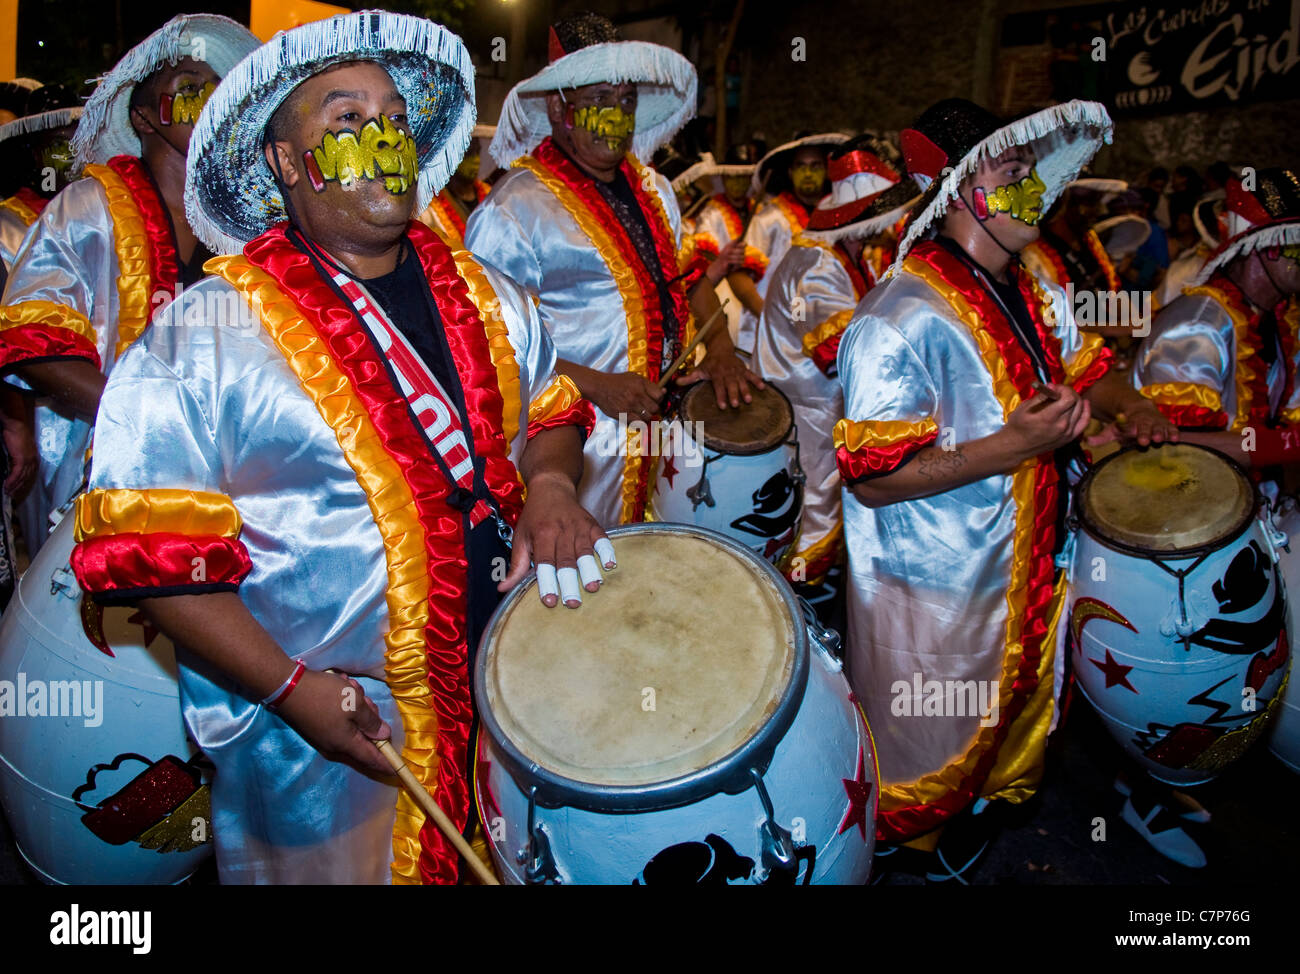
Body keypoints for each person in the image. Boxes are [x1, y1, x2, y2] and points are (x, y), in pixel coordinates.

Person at [71, 10, 610, 885]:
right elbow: (153, 561)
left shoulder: (489, 294)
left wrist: (550, 487)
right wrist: (292, 692)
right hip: (322, 746)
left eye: (393, 120)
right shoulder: (202, 340)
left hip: (513, 698)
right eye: (346, 123)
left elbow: (551, 415)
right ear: (287, 164)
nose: (383, 139)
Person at [835, 97, 1176, 881]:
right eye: (1012, 173)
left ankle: (976, 813)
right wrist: (1012, 446)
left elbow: (1095, 368)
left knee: (1006, 713)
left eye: (1031, 174)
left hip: (1019, 564)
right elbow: (877, 484)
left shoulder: (1032, 287)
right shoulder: (897, 317)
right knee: (927, 729)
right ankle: (912, 850)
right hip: (934, 591)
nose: (1033, 191)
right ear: (957, 189)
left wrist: (1135, 406)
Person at [466, 11, 758, 529]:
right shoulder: (513, 210)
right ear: (559, 107)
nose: (619, 118)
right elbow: (490, 351)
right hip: (576, 448)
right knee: (584, 591)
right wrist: (597, 385)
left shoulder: (655, 189)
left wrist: (720, 352)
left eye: (627, 102)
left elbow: (691, 285)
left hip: (666, 438)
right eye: (601, 102)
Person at [0, 14, 259, 556]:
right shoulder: (86, 208)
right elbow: (30, 338)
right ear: (144, 118)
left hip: (226, 481)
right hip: (94, 472)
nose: (206, 101)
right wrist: (147, 418)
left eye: (215, 90)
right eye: (187, 92)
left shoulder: (245, 224)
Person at [753, 134, 918, 599]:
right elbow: (843, 348)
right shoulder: (818, 265)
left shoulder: (848, 257)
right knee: (811, 522)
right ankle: (802, 628)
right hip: (809, 416)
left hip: (823, 414)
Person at [726, 132, 846, 354]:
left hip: (824, 339)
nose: (808, 173)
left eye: (815, 166)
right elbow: (737, 275)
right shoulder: (769, 220)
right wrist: (773, 319)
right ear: (790, 172)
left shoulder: (839, 222)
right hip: (771, 341)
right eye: (801, 166)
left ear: (828, 171)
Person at [415, 123, 494, 249]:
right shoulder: (430, 208)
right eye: (468, 154)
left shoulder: (491, 195)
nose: (476, 160)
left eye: (478, 152)